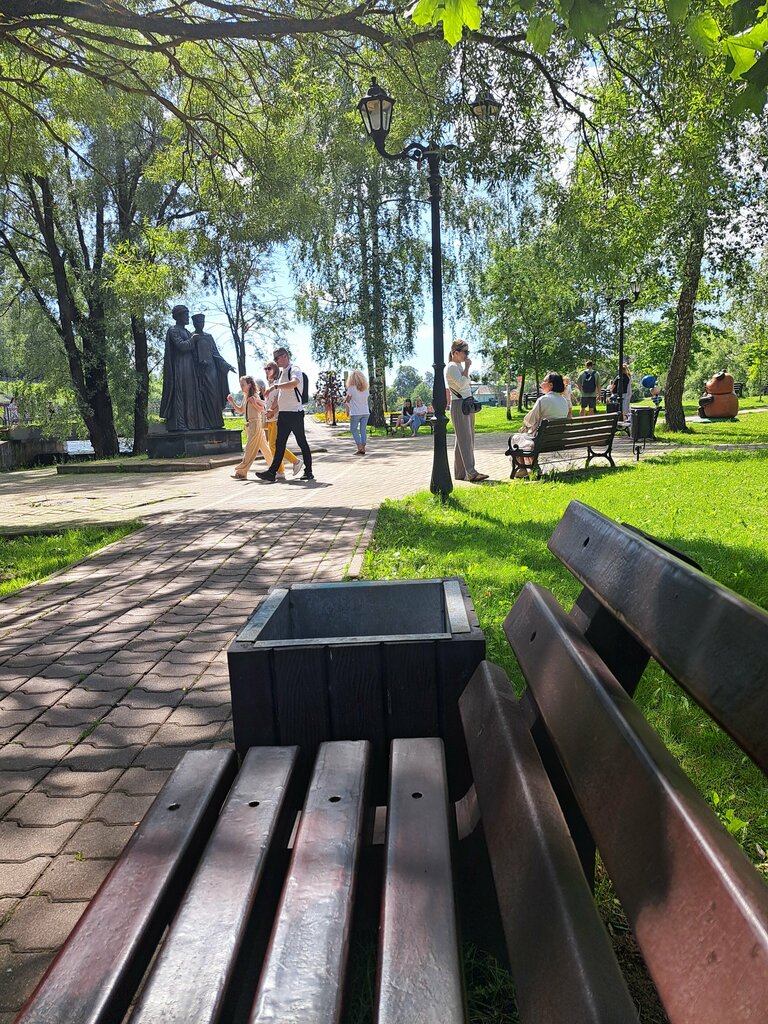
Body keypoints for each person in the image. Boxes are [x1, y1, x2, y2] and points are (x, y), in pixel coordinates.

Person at [256, 347, 314, 482]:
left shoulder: (295, 369)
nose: (275, 362)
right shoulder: (282, 373)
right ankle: (272, 473)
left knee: (302, 442)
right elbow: (280, 396)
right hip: (283, 414)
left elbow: (294, 383)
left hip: (295, 413)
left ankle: (308, 471)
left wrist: (275, 387)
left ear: (285, 356)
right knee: (279, 444)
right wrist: (273, 409)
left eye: (276, 358)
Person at [507, 371, 570, 478]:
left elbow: (530, 420)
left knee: (516, 438)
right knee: (524, 438)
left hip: (542, 440)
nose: (541, 383)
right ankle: (529, 468)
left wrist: (525, 426)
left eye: (544, 381)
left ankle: (524, 468)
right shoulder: (564, 401)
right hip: (558, 439)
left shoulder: (543, 400)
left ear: (550, 385)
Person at [445, 339, 488, 482]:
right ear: (456, 352)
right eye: (465, 352)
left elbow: (465, 384)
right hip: (459, 405)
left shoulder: (457, 365)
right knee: (466, 440)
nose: (467, 355)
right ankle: (471, 473)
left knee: (462, 439)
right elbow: (462, 383)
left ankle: (459, 473)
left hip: (466, 404)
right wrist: (467, 367)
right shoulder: (452, 366)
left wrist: (465, 368)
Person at [159, 304, 204, 431]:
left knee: (191, 395)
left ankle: (193, 423)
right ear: (178, 316)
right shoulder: (173, 330)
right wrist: (192, 340)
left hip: (190, 367)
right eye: (185, 315)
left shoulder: (188, 332)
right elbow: (181, 346)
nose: (188, 317)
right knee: (181, 394)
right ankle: (180, 423)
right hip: (180, 366)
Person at [192, 313, 235, 430]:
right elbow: (191, 355)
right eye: (198, 322)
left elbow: (215, 354)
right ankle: (205, 423)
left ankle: (217, 423)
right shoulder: (192, 337)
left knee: (213, 395)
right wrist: (199, 363)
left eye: (202, 322)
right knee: (203, 396)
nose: (201, 324)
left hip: (212, 370)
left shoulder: (209, 337)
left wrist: (226, 365)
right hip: (200, 371)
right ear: (194, 323)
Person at [227, 377, 271, 479]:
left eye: (243, 385)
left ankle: (241, 472)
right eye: (240, 385)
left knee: (249, 449)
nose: (241, 387)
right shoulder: (245, 397)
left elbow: (262, 409)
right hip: (249, 425)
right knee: (265, 449)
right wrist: (232, 402)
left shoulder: (255, 396)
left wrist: (254, 402)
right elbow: (241, 411)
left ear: (249, 385)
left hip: (255, 424)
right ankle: (276, 468)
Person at [264, 361, 302, 477]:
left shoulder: (278, 383)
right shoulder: (268, 385)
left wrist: (273, 411)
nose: (267, 370)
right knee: (273, 445)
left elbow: (280, 402)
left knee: (274, 445)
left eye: (269, 368)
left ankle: (293, 463)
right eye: (265, 369)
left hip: (276, 417)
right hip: (270, 419)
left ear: (275, 369)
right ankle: (281, 470)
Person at [345, 370, 370, 455]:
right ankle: (363, 448)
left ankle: (359, 447)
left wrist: (349, 405)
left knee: (353, 429)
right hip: (365, 412)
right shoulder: (366, 389)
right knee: (363, 430)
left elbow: (347, 401)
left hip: (356, 413)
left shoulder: (351, 388)